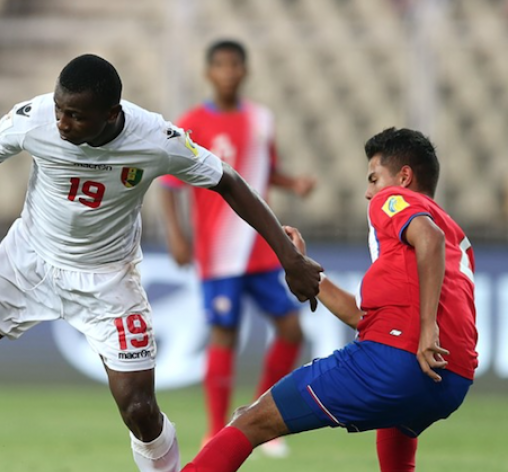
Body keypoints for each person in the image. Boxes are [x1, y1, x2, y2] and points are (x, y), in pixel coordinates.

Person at [0, 53, 323, 472]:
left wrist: (287, 257)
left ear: (111, 114)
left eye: (76, 117)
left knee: (138, 409)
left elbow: (230, 182)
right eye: (60, 110)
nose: (63, 123)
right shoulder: (34, 118)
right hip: (27, 259)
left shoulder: (158, 138)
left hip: (109, 280)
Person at [182, 127, 477, 472]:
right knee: (396, 427)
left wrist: (427, 330)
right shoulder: (458, 240)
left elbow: (429, 237)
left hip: (398, 358)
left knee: (249, 419)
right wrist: (308, 273)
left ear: (404, 177)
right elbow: (360, 315)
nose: (369, 193)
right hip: (452, 379)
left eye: (373, 178)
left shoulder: (395, 202)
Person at [158, 39, 316, 456]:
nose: (229, 72)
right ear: (209, 72)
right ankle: (216, 430)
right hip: (219, 253)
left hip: (264, 248)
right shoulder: (191, 122)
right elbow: (170, 184)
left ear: (245, 71)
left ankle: (263, 418)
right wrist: (177, 235)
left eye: (235, 65)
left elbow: (263, 169)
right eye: (221, 65)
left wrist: (291, 183)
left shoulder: (262, 119)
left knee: (291, 328)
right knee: (224, 333)